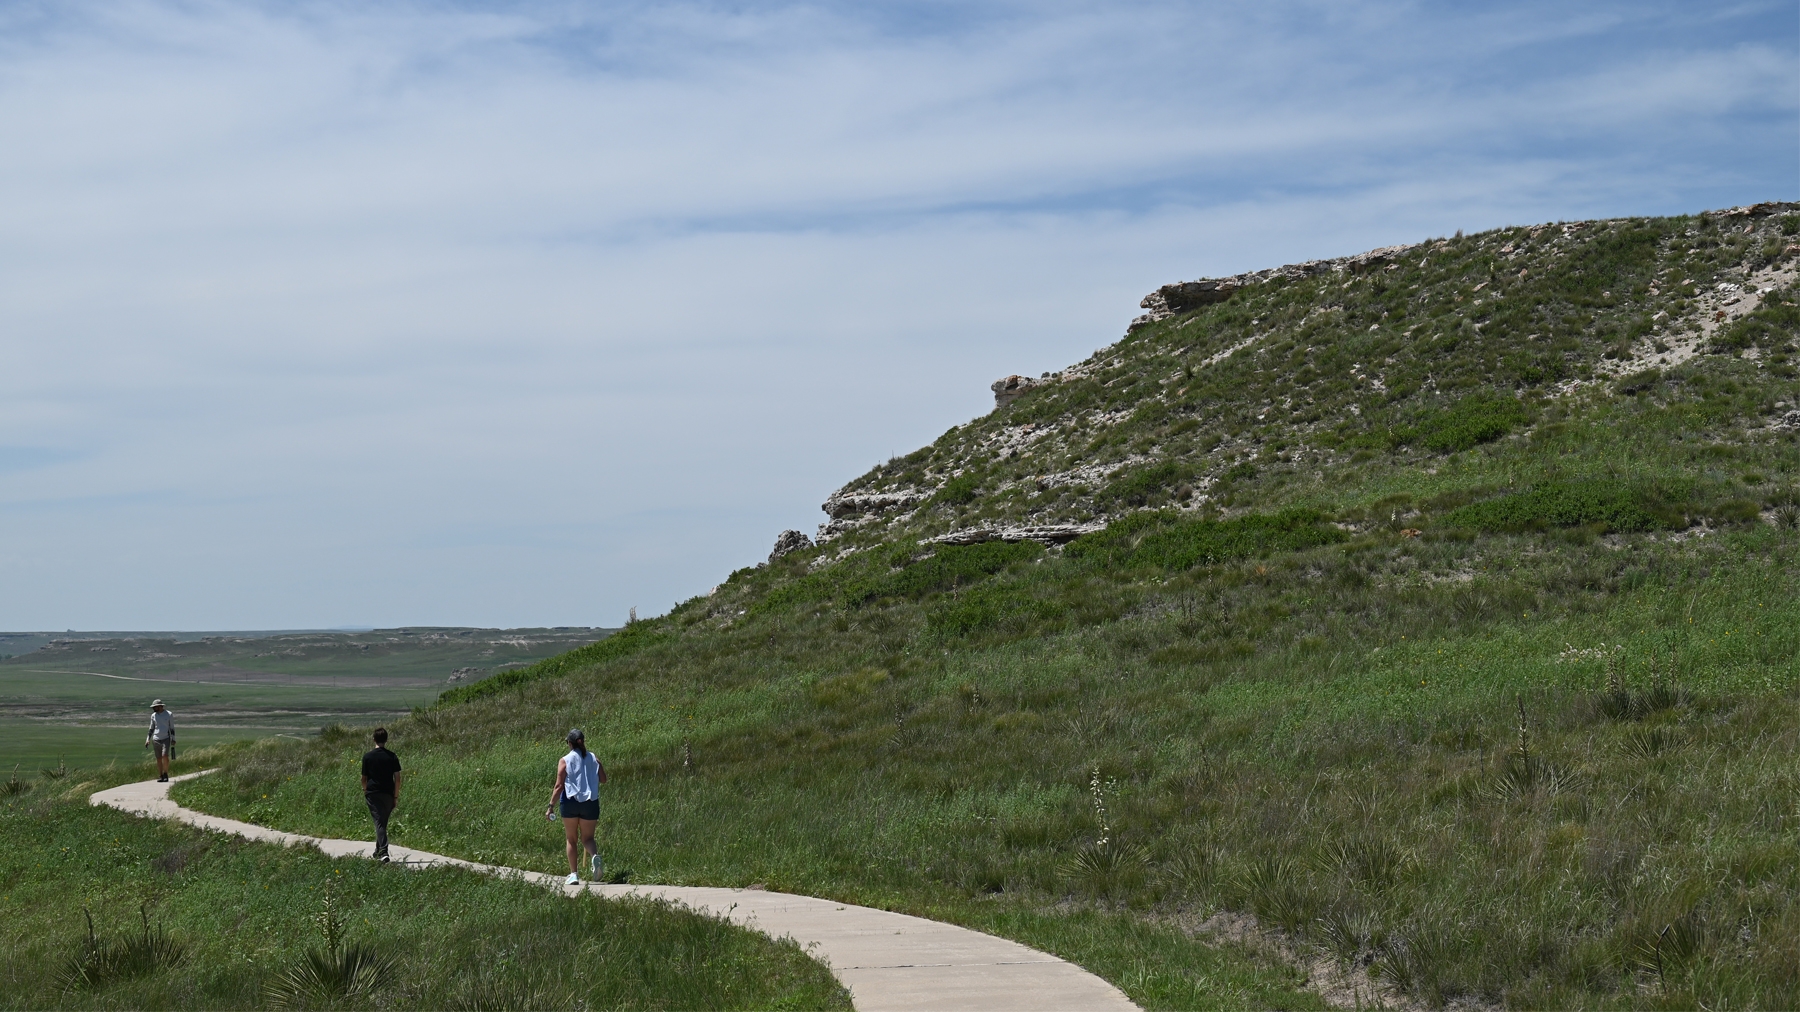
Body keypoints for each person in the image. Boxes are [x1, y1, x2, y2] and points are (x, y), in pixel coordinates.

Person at [545, 728, 606, 885]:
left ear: (570, 743)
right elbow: (603, 779)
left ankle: (574, 875)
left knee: (571, 839)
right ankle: (594, 857)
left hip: (570, 802)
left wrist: (551, 805)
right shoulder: (593, 758)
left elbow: (559, 786)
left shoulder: (565, 760)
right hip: (591, 803)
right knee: (588, 838)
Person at [360, 727, 402, 863]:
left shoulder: (367, 757)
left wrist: (365, 790)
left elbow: (363, 778)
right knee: (382, 822)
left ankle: (383, 851)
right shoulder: (392, 756)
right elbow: (398, 778)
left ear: (374, 739)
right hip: (388, 793)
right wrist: (395, 796)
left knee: (379, 822)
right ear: (386, 740)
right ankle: (378, 851)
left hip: (373, 793)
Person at [146, 700, 175, 782]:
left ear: (160, 706)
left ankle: (166, 774)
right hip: (156, 739)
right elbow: (151, 728)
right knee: (158, 758)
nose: (154, 708)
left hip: (166, 737)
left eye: (155, 707)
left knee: (165, 756)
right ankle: (161, 775)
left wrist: (173, 738)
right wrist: (147, 739)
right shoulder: (153, 716)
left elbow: (172, 727)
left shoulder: (169, 714)